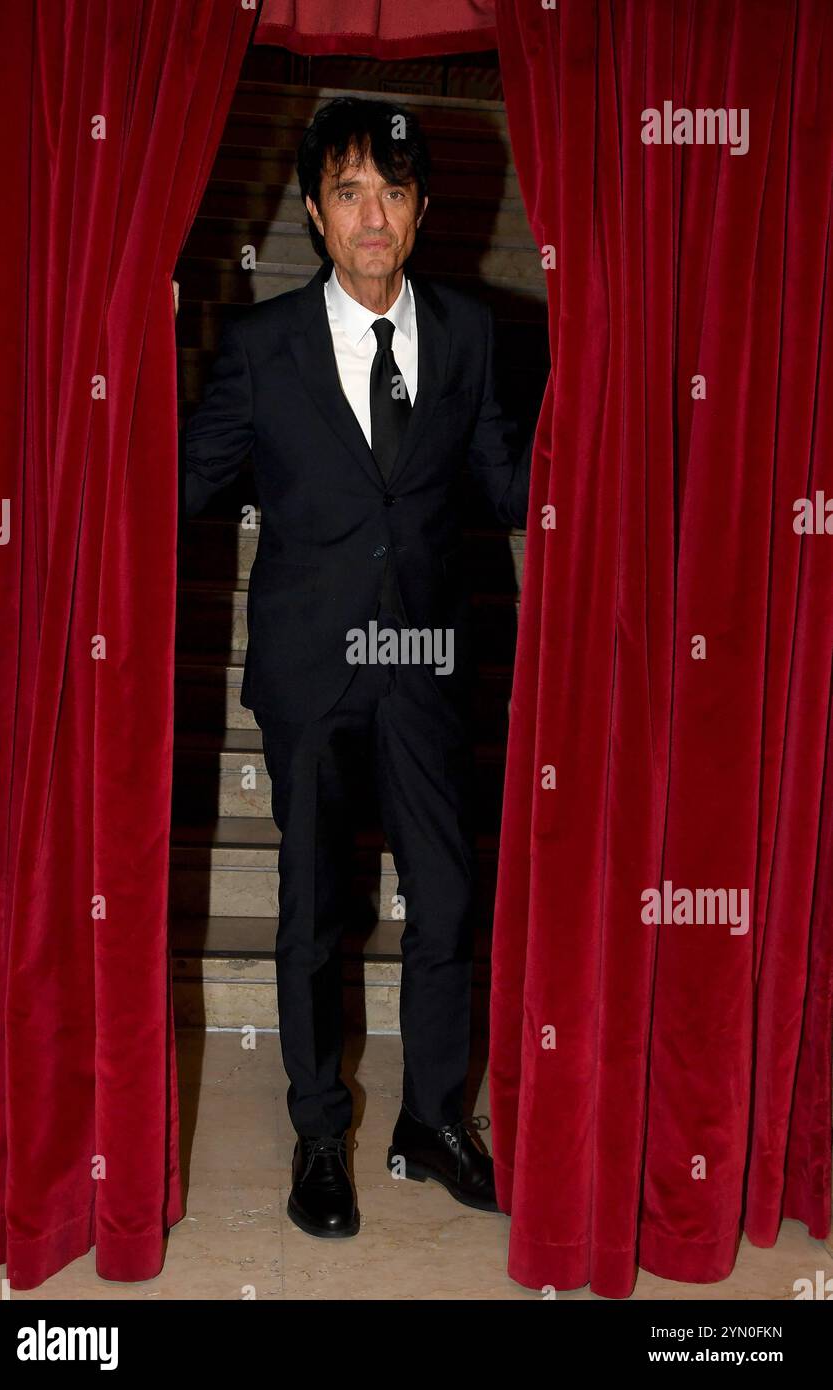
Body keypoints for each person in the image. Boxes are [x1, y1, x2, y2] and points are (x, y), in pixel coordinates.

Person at [180, 95, 532, 1238]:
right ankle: (317, 1130)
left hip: (425, 663)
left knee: (446, 897)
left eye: (390, 190)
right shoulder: (259, 346)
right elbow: (183, 491)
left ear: (423, 210)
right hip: (309, 669)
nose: (370, 215)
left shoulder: (474, 336)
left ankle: (430, 1118)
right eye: (347, 192)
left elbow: (505, 487)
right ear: (317, 218)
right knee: (311, 907)